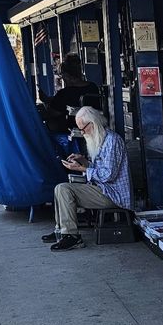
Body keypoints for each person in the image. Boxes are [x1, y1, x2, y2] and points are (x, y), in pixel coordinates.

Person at [42, 106, 133, 251]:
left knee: (64, 189)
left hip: (112, 194)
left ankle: (72, 236)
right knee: (60, 189)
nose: (83, 133)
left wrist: (82, 169)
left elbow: (108, 175)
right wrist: (83, 161)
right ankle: (61, 231)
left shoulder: (112, 141)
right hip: (102, 189)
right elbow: (99, 168)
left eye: (83, 129)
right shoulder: (101, 139)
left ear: (93, 123)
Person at [39, 55, 100, 133]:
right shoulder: (93, 87)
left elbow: (52, 113)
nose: (62, 78)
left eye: (62, 75)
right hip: (94, 127)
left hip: (75, 130)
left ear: (67, 76)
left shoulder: (64, 93)